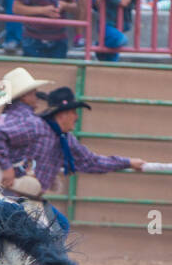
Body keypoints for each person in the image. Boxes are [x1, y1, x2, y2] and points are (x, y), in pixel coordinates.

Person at [32, 86, 145, 231]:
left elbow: (92, 162)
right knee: (54, 231)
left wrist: (127, 162)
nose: (76, 117)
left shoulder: (65, 139)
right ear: (63, 114)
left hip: (31, 197)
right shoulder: (35, 129)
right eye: (73, 112)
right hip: (16, 195)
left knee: (60, 226)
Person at [0, 65, 52, 197]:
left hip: (1, 181)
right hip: (10, 186)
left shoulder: (10, 115)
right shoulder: (25, 118)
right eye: (34, 93)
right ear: (25, 96)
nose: (37, 97)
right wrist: (7, 167)